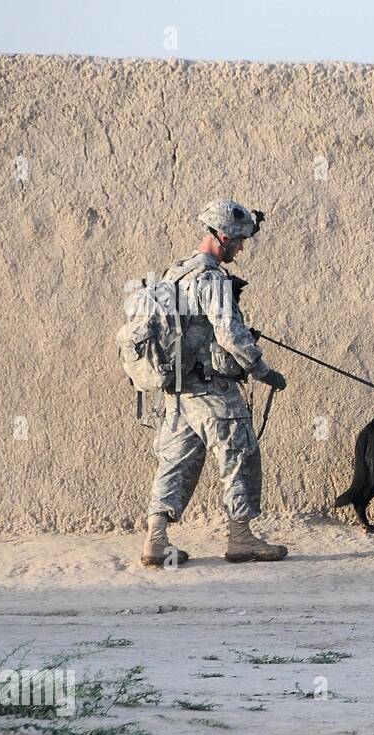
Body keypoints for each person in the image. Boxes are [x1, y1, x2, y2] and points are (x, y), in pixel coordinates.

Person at [141, 199, 289, 567]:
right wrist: (261, 369)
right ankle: (241, 539)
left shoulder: (174, 274)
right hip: (213, 391)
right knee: (241, 457)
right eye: (238, 240)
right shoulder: (212, 278)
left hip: (177, 391)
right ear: (221, 236)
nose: (241, 248)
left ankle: (156, 541)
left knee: (174, 463)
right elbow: (229, 334)